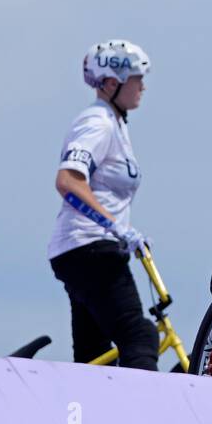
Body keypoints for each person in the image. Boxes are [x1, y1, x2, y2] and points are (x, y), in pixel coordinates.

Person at [47, 40, 159, 370]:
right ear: (112, 83)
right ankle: (143, 413)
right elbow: (67, 181)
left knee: (94, 356)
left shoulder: (115, 122)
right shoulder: (97, 123)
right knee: (140, 336)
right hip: (91, 247)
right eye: (137, 78)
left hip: (81, 249)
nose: (143, 86)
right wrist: (116, 226)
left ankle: (87, 417)